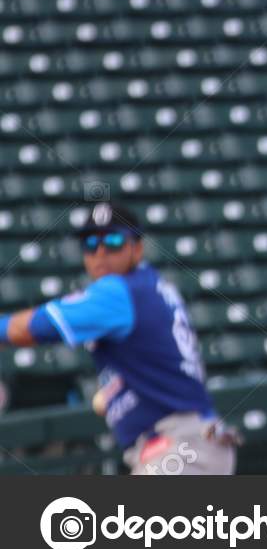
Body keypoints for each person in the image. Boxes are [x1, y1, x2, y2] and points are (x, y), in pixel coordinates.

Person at [2, 203, 237, 475]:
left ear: (137, 248)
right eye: (91, 244)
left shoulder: (120, 292)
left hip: (178, 445)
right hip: (195, 441)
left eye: (113, 241)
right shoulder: (151, 286)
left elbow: (29, 329)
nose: (101, 252)